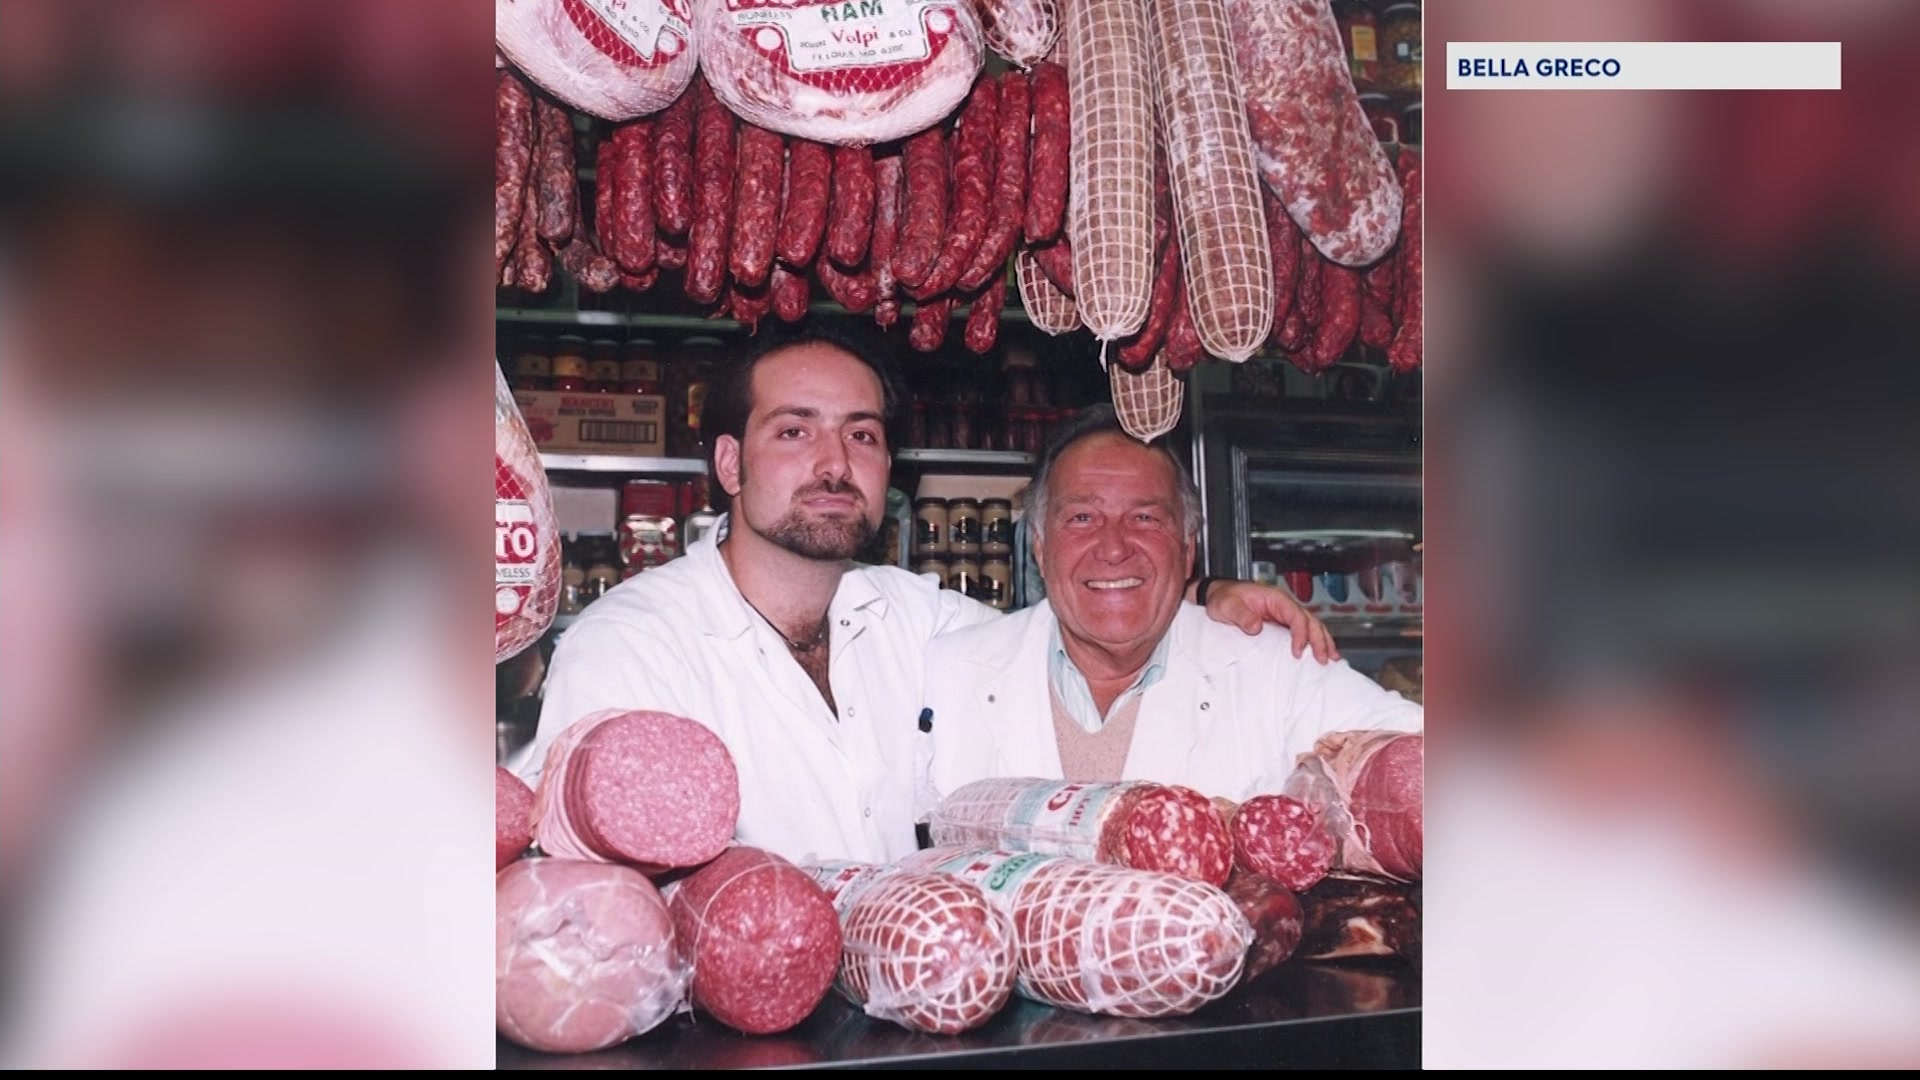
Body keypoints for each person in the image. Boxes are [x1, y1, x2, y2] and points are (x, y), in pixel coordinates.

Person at [513, 323, 1336, 865]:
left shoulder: (913, 615)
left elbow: (1077, 624)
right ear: (730, 465)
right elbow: (596, 901)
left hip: (911, 1013)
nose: (835, 463)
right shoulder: (630, 645)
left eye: (862, 434)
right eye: (795, 430)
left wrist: (1202, 591)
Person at [924, 405, 1422, 805]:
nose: (1114, 547)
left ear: (1187, 548)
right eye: (1081, 518)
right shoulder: (947, 672)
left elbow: (1426, 761)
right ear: (1037, 545)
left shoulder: (1275, 668)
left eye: (1145, 518)